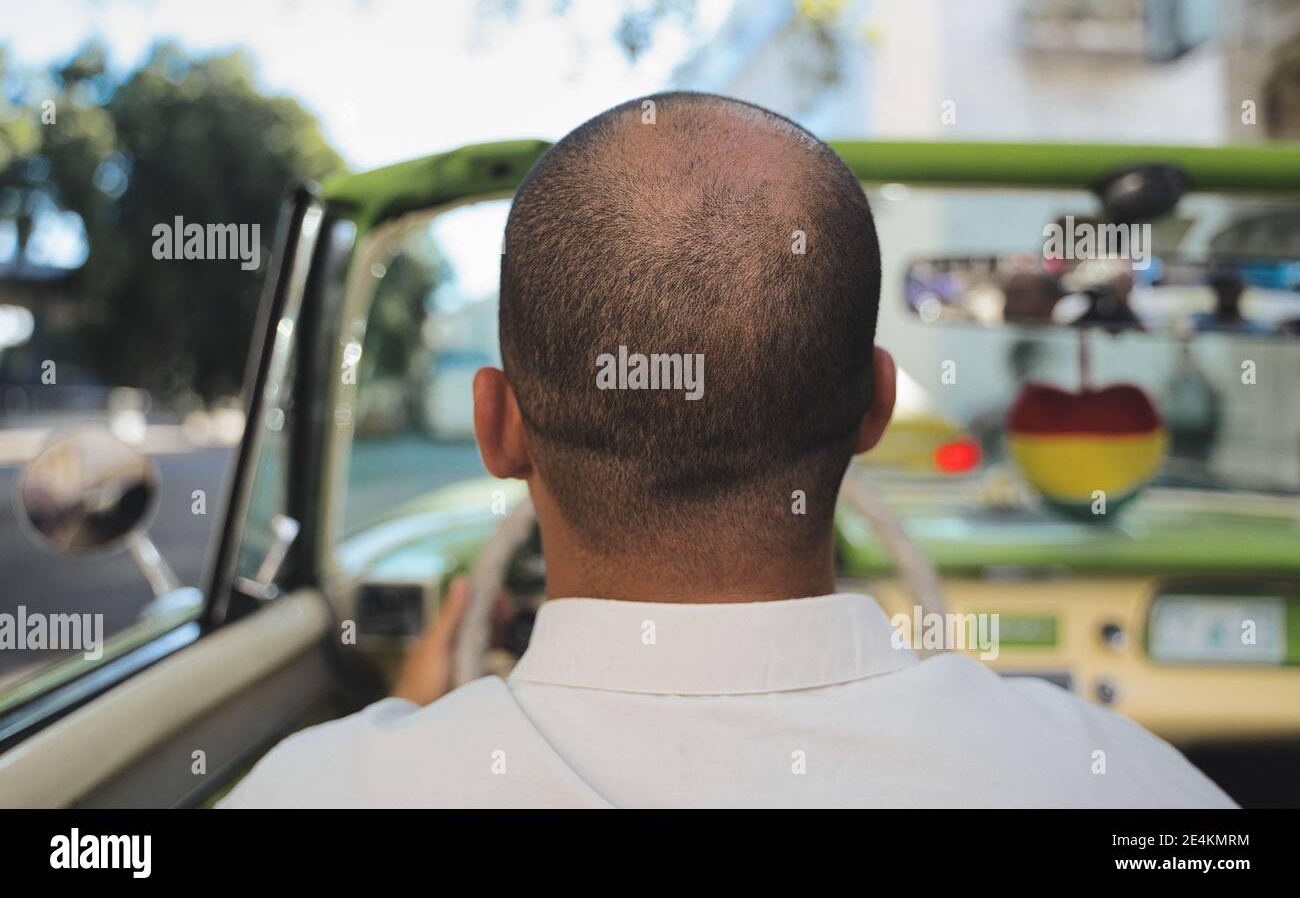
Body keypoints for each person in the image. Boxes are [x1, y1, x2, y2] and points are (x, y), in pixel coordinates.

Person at [223, 92, 1233, 808]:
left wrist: (411, 715)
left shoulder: (318, 791)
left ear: (497, 425)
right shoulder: (1130, 785)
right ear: (875, 405)